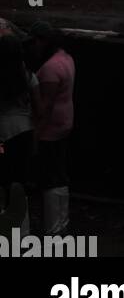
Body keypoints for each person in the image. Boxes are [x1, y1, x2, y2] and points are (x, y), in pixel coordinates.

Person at [27, 23, 74, 235]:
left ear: (43, 41)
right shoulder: (66, 59)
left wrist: (35, 137)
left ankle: (53, 228)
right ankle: (60, 224)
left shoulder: (50, 69)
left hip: (50, 130)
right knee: (58, 174)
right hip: (64, 123)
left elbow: (43, 109)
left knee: (49, 177)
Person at [0, 34, 39, 234]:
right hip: (24, 133)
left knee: (3, 182)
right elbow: (38, 107)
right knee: (20, 182)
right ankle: (22, 232)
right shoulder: (28, 75)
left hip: (3, 136)